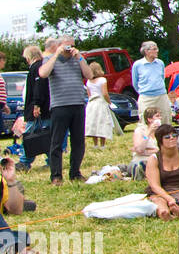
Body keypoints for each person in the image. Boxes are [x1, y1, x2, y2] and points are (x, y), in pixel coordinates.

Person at [37, 36, 93, 185]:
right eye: (67, 46)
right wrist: (56, 54)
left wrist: (80, 56)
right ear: (59, 46)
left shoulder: (77, 60)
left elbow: (89, 75)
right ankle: (56, 175)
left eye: (72, 46)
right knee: (57, 142)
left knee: (78, 142)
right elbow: (43, 73)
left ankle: (75, 173)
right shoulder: (51, 59)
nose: (70, 49)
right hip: (59, 106)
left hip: (78, 104)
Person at [143, 123, 179, 220]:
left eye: (174, 135)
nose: (172, 138)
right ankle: (168, 214)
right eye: (167, 137)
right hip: (161, 193)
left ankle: (178, 212)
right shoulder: (154, 159)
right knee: (162, 208)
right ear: (160, 141)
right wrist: (170, 199)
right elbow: (155, 186)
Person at [131, 41, 170, 122]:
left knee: (165, 118)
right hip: (146, 97)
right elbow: (135, 82)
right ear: (146, 51)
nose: (157, 51)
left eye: (157, 48)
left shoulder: (160, 63)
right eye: (154, 49)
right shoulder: (137, 65)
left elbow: (162, 78)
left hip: (161, 96)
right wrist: (144, 91)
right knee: (145, 120)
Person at [83, 62, 120, 147]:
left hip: (92, 103)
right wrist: (109, 102)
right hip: (100, 102)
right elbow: (105, 93)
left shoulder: (88, 82)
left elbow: (89, 95)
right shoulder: (102, 80)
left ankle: (95, 144)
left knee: (93, 123)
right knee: (102, 122)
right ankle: (102, 145)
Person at [128, 107, 164, 178]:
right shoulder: (140, 131)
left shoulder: (162, 131)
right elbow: (139, 150)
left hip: (157, 160)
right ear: (149, 119)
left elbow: (164, 150)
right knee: (140, 165)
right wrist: (149, 132)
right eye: (157, 116)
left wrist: (149, 150)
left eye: (160, 116)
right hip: (141, 160)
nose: (160, 118)